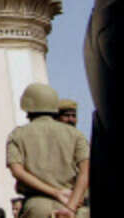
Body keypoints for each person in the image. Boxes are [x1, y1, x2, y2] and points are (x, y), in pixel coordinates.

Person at [6, 83, 89, 218]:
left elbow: (17, 171)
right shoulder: (75, 135)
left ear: (27, 107)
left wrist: (55, 192)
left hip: (36, 208)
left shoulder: (17, 135)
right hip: (72, 206)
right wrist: (71, 207)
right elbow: (85, 172)